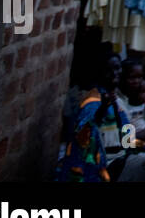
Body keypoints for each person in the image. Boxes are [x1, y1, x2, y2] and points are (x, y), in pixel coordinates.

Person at [55, 49, 129, 182]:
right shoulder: (92, 102)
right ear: (100, 73)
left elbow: (128, 138)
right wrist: (102, 110)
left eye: (117, 68)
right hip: (95, 168)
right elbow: (84, 137)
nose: (114, 74)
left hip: (116, 160)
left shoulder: (118, 100)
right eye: (108, 70)